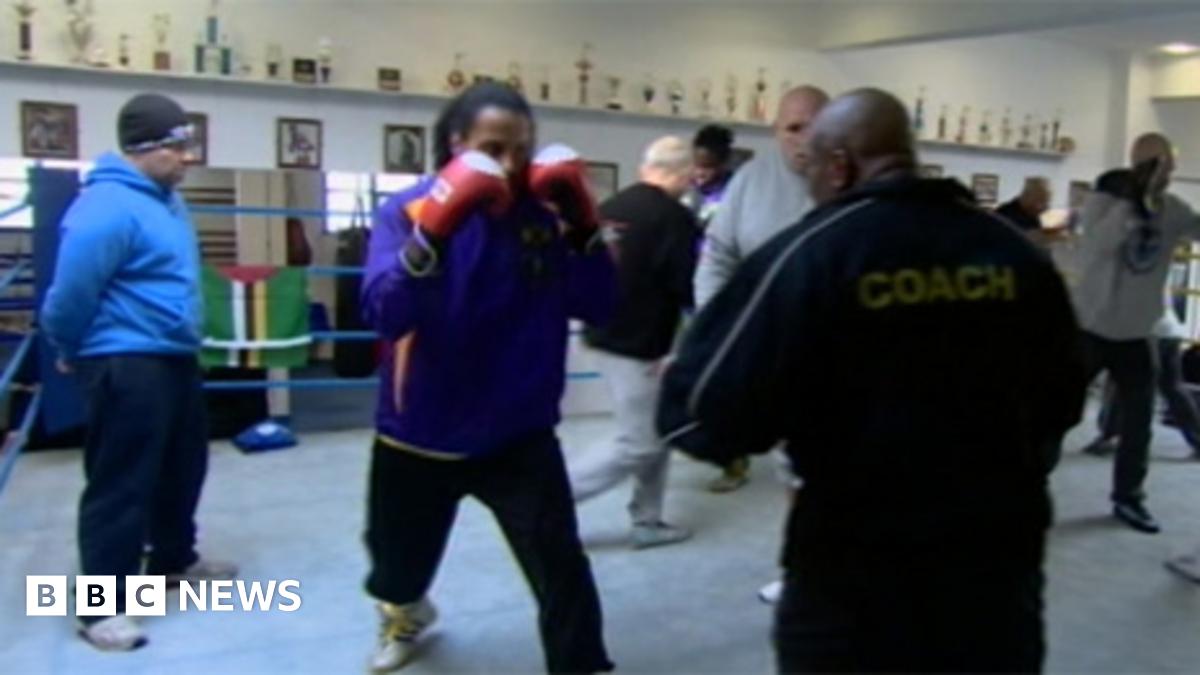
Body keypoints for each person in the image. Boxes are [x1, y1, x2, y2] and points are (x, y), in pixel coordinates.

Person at [657, 88, 1086, 673]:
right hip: (995, 564)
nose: (807, 181)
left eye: (813, 166)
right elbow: (1064, 393)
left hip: (857, 573)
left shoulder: (814, 252)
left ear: (841, 166)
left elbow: (704, 416)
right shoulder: (1015, 253)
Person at [359, 82, 615, 673]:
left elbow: (600, 306)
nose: (510, 166)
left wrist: (584, 228)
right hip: (418, 432)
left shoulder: (547, 215)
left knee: (560, 569)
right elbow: (384, 314)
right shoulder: (406, 211)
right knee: (396, 568)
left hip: (518, 433)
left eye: (522, 150)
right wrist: (434, 236)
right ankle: (405, 611)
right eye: (493, 149)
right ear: (459, 148)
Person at [41, 92, 237, 652]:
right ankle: (97, 610)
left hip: (172, 354)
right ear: (145, 149)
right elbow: (70, 292)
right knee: (121, 482)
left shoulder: (166, 199)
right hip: (123, 358)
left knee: (183, 465)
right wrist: (67, 344)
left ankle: (173, 561)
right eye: (178, 148)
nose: (187, 159)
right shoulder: (105, 206)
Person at [695, 85, 829, 496]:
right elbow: (716, 257)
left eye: (817, 127)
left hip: (832, 350)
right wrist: (714, 326)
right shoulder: (751, 180)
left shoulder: (852, 178)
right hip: (766, 344)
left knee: (821, 468)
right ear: (776, 131)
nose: (805, 138)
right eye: (794, 128)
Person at [570, 136, 698, 549]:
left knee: (656, 429)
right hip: (639, 344)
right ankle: (551, 501)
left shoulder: (609, 210)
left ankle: (648, 520)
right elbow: (687, 285)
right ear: (680, 174)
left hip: (600, 333)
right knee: (638, 443)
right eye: (690, 177)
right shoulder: (673, 217)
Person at [1070, 132, 1200, 533]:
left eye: (1168, 168)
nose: (1167, 175)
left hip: (1137, 335)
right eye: (1159, 166)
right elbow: (1099, 244)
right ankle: (1026, 483)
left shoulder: (1173, 210)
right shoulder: (1103, 204)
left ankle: (1129, 498)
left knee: (1138, 423)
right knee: (1056, 411)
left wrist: (1153, 201)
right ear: (1139, 163)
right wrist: (1133, 200)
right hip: (1090, 329)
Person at [1081, 286, 1200, 459]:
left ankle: (1109, 436)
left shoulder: (1123, 272)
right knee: (1173, 388)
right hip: (1170, 330)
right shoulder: (1152, 267)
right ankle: (1197, 439)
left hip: (1145, 333)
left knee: (1120, 383)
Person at [684, 124, 736, 230]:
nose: (699, 173)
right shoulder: (684, 186)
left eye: (707, 167)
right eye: (696, 165)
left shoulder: (733, 192)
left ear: (723, 164)